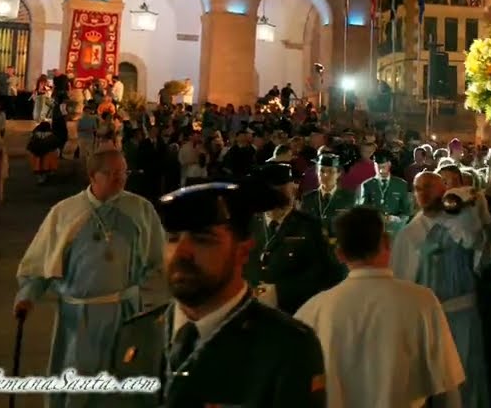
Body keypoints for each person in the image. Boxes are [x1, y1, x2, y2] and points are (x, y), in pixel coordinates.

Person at [108, 181, 326, 406]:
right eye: (173, 238)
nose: (181, 252)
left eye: (203, 239)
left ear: (242, 251)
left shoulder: (285, 348)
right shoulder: (136, 335)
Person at [14, 149, 165, 408]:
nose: (120, 179)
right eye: (111, 173)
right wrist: (27, 296)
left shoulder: (141, 210)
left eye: (123, 172)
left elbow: (158, 262)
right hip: (78, 319)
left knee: (123, 382)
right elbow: (40, 263)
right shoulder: (66, 212)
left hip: (125, 314)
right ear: (92, 176)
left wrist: (154, 303)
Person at [295, 206, 465, 407]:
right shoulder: (422, 301)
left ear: (339, 254)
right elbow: (447, 383)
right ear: (386, 242)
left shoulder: (312, 310)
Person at [392, 171, 491, 408]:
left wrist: (475, 207)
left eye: (429, 187)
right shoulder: (408, 234)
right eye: (418, 188)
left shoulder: (461, 224)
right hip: (426, 318)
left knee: (463, 374)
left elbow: (480, 248)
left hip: (461, 315)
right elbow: (401, 278)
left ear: (442, 189)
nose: (423, 193)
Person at [245, 162, 342, 314]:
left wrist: (281, 291)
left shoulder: (309, 226)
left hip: (294, 313)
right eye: (282, 188)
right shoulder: (248, 224)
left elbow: (328, 273)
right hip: (251, 314)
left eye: (291, 186)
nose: (292, 190)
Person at [299, 157, 356, 240]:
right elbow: (302, 226)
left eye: (330, 171)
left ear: (338, 173)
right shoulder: (308, 198)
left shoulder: (349, 198)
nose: (325, 175)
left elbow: (353, 228)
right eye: (322, 171)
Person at [357, 150, 413, 232]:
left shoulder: (401, 184)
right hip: (373, 229)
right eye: (378, 167)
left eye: (383, 167)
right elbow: (362, 210)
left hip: (395, 229)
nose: (380, 170)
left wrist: (395, 219)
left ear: (389, 164)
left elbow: (407, 211)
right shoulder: (367, 185)